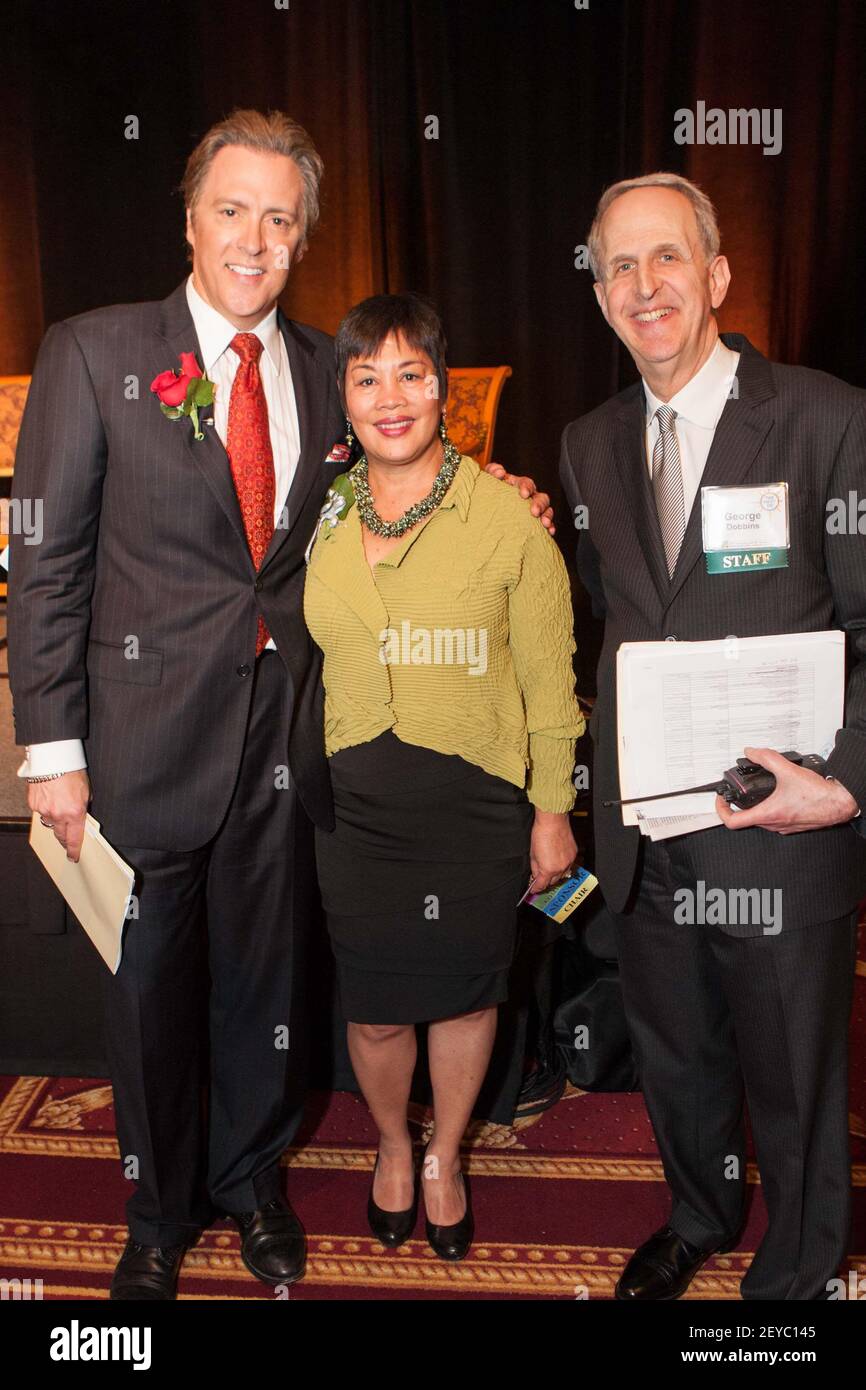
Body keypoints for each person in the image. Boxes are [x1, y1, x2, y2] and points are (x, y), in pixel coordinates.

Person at [7, 109, 554, 1300]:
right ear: (189, 217)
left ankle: (252, 1182)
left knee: (263, 978)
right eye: (231, 210)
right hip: (139, 739)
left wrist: (498, 488)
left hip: (292, 740)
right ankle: (158, 1211)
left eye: (280, 217)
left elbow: (405, 484)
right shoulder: (95, 352)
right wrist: (49, 748)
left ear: (302, 236)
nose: (254, 238)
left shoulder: (324, 368)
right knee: (150, 987)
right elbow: (47, 561)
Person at [560, 171, 866, 1301]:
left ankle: (793, 1274)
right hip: (649, 832)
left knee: (792, 1076)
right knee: (678, 1058)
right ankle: (697, 1212)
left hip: (783, 833)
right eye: (618, 266)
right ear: (597, 293)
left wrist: (842, 785)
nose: (644, 285)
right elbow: (618, 612)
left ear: (717, 276)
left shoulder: (826, 418)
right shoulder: (586, 442)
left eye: (666, 258)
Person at [304, 292, 585, 1259]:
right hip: (353, 808)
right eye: (367, 376)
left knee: (467, 998)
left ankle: (447, 1154)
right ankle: (392, 1143)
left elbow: (555, 680)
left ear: (443, 389)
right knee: (377, 1010)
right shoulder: (319, 514)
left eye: (411, 375)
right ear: (343, 396)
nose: (391, 397)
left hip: (474, 808)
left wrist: (554, 808)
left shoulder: (507, 515)